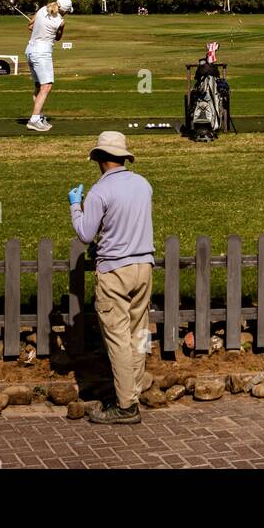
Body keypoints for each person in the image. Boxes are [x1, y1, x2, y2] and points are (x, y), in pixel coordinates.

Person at [69, 131, 155, 425]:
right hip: (143, 266)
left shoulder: (99, 192)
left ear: (99, 159)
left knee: (117, 338)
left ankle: (126, 405)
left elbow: (85, 234)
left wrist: (75, 206)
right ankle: (134, 388)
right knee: (139, 332)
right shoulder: (143, 185)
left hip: (114, 271)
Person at [25, 0, 73, 131]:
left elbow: (30, 26)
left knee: (39, 86)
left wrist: (38, 28)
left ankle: (39, 117)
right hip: (42, 53)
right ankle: (34, 120)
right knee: (46, 87)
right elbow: (58, 38)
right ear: (65, 11)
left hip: (30, 51)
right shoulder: (61, 22)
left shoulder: (41, 9)